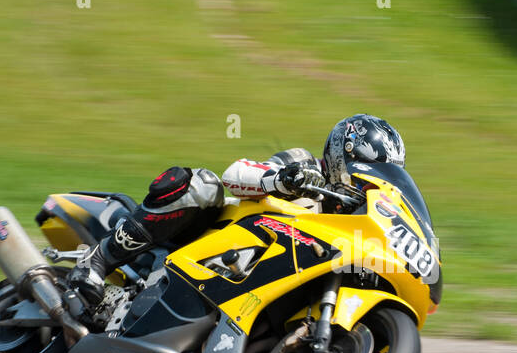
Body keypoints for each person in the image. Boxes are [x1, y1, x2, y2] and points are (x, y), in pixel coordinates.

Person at [69, 114, 406, 300]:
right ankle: (97, 261)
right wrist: (283, 180)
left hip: (254, 284)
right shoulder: (305, 165)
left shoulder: (353, 219)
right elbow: (235, 174)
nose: (366, 179)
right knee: (204, 185)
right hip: (211, 241)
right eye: (364, 167)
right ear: (342, 153)